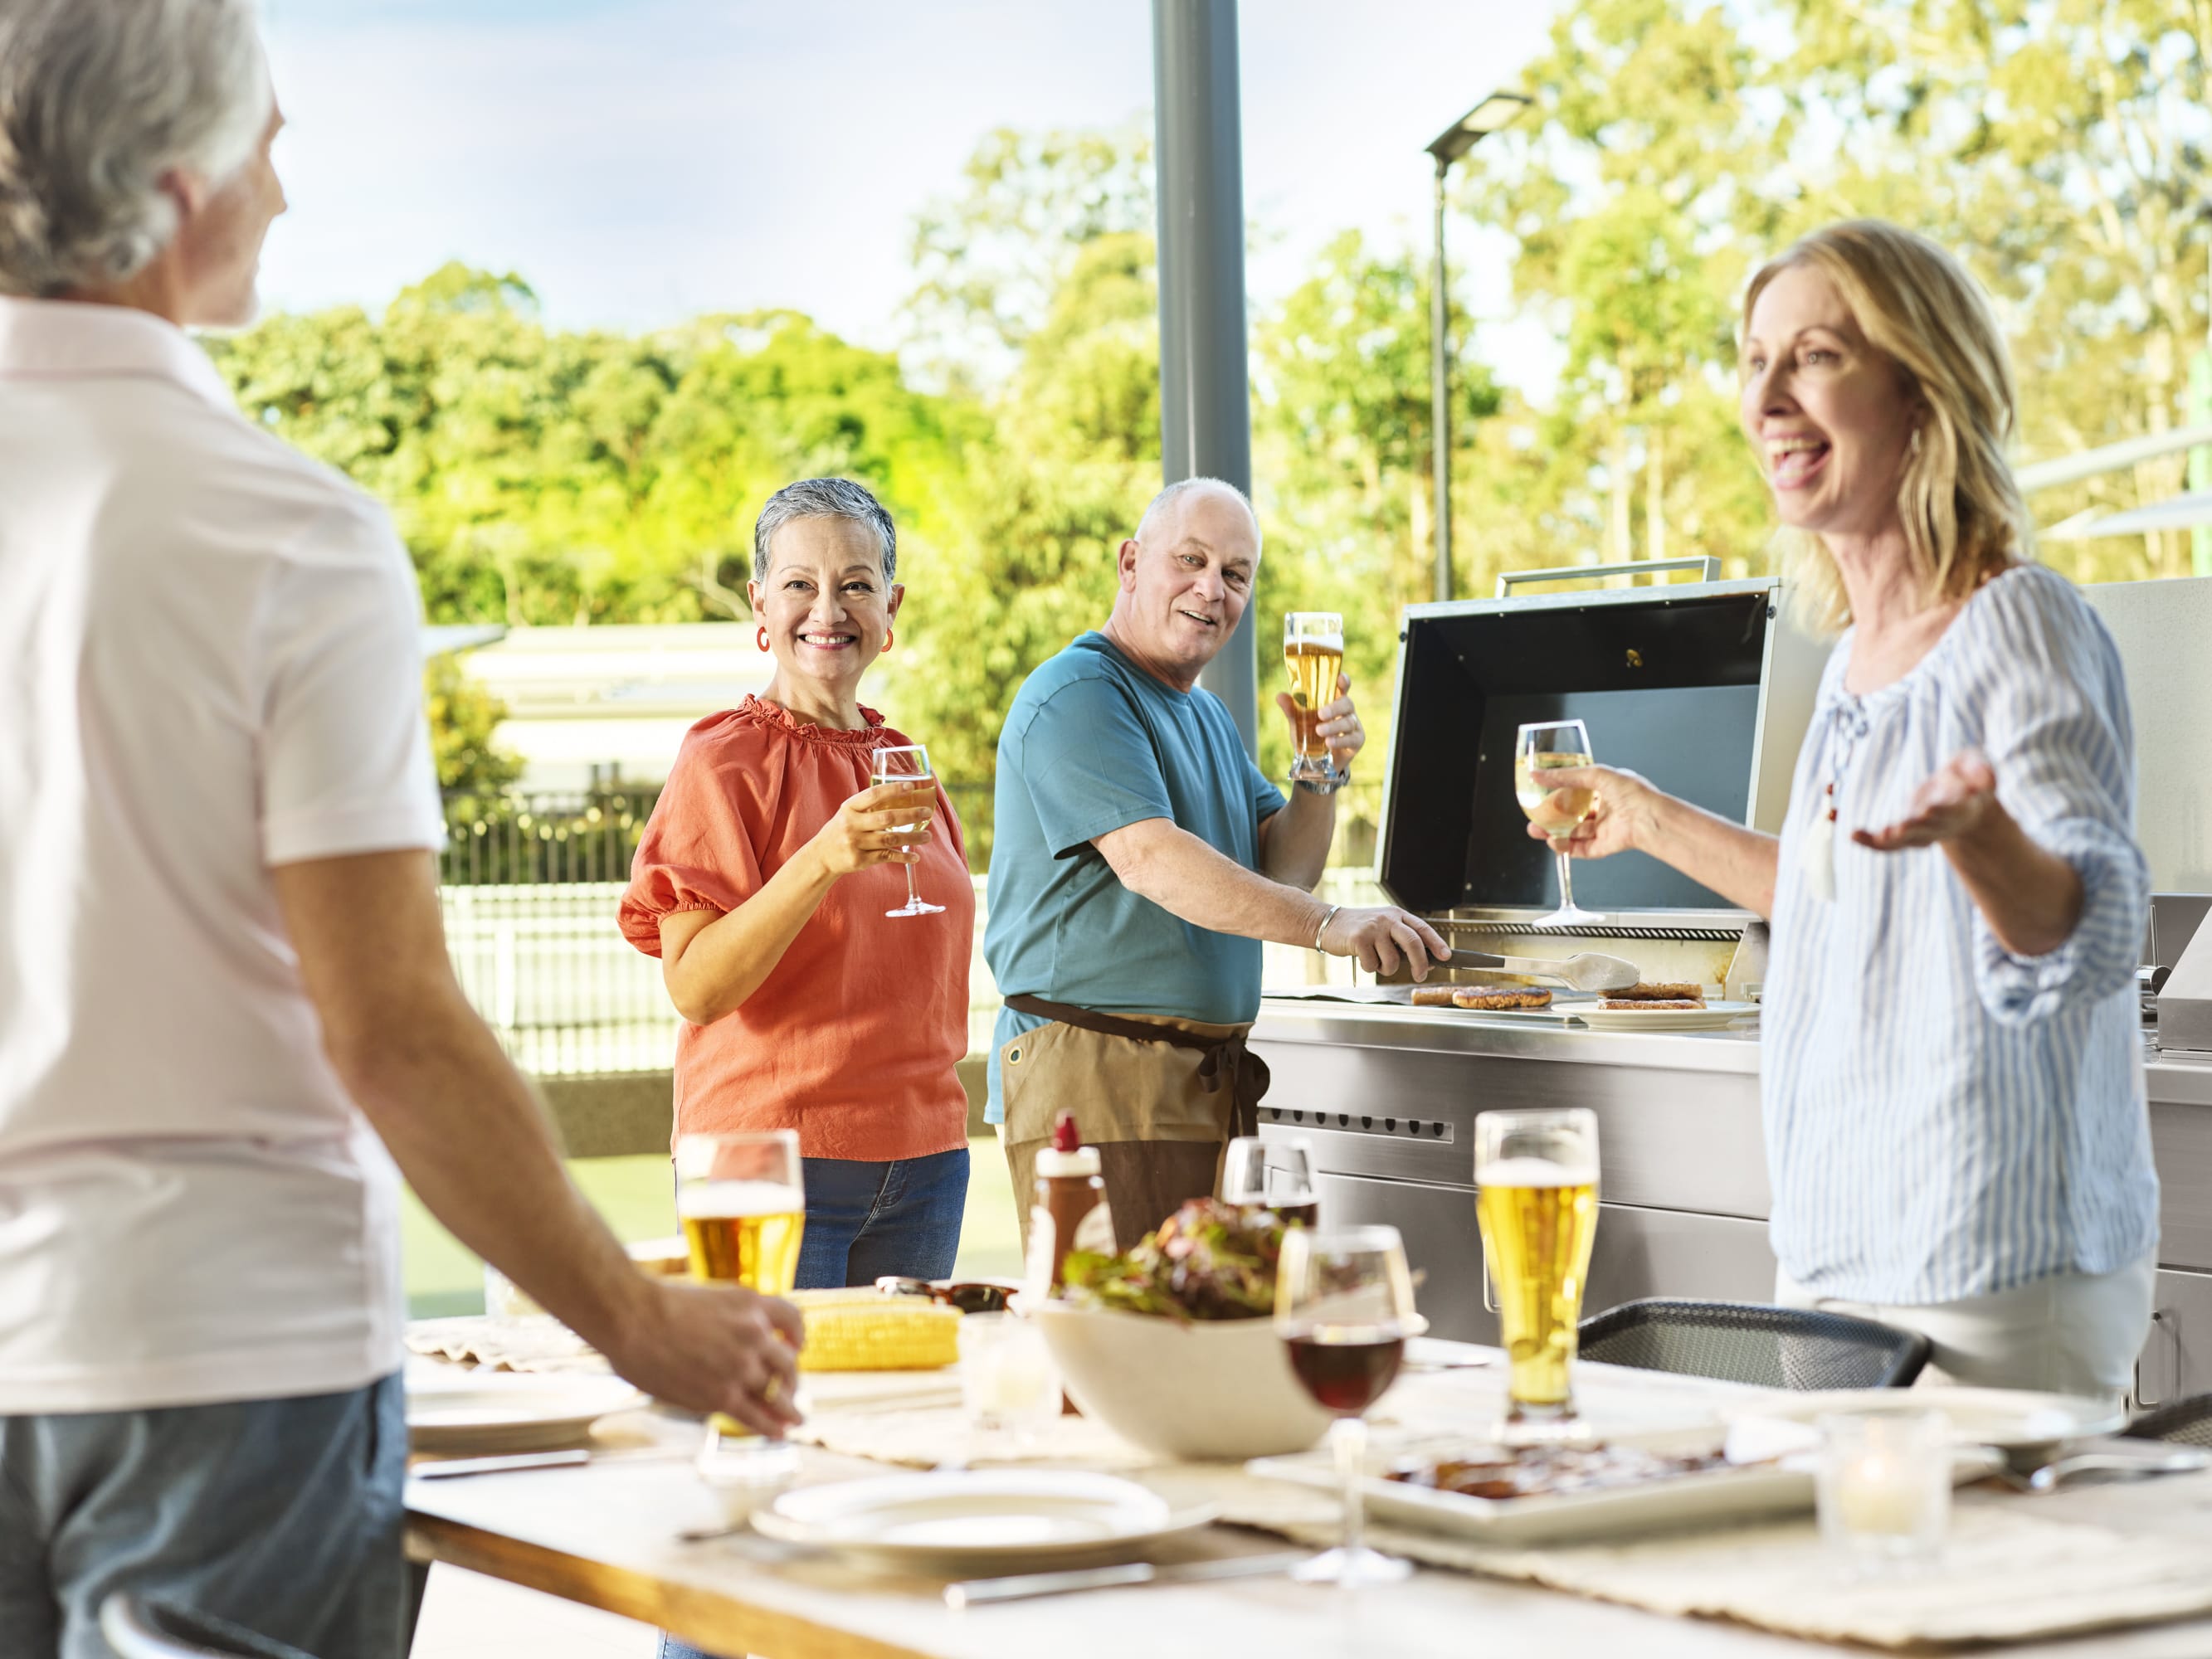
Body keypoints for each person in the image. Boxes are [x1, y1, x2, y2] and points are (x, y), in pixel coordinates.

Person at [0, 6, 799, 1656]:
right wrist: (639, 1319)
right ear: (173, 189)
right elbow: (395, 1028)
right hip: (222, 1368)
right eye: (265, 142)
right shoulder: (284, 534)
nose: (285, 190)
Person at [1535, 221, 2156, 1399]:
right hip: (1840, 1242)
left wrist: (1982, 837)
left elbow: (2090, 929)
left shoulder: (2015, 620)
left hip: (1985, 1263)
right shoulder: (1857, 653)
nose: (1765, 396)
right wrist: (1647, 816)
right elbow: (1840, 899)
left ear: (1924, 388)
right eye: (1752, 359)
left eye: (1813, 356)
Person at [984, 477, 1448, 1245]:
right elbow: (1151, 860)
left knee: (1207, 1338)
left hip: (1198, 1085)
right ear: (1131, 563)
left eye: (1235, 575)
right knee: (1132, 1343)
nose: (1212, 589)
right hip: (1099, 1082)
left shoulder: (1205, 715)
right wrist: (1331, 927)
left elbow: (1286, 870)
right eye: (1190, 561)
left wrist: (1318, 770)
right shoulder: (1079, 693)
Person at [620, 478, 972, 1293]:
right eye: (799, 584)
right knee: (777, 1412)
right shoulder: (722, 761)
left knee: (893, 1413)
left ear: (892, 608)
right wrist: (820, 857)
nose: (828, 607)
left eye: (855, 583)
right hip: (766, 1164)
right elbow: (697, 987)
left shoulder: (903, 761)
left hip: (923, 1166)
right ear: (758, 605)